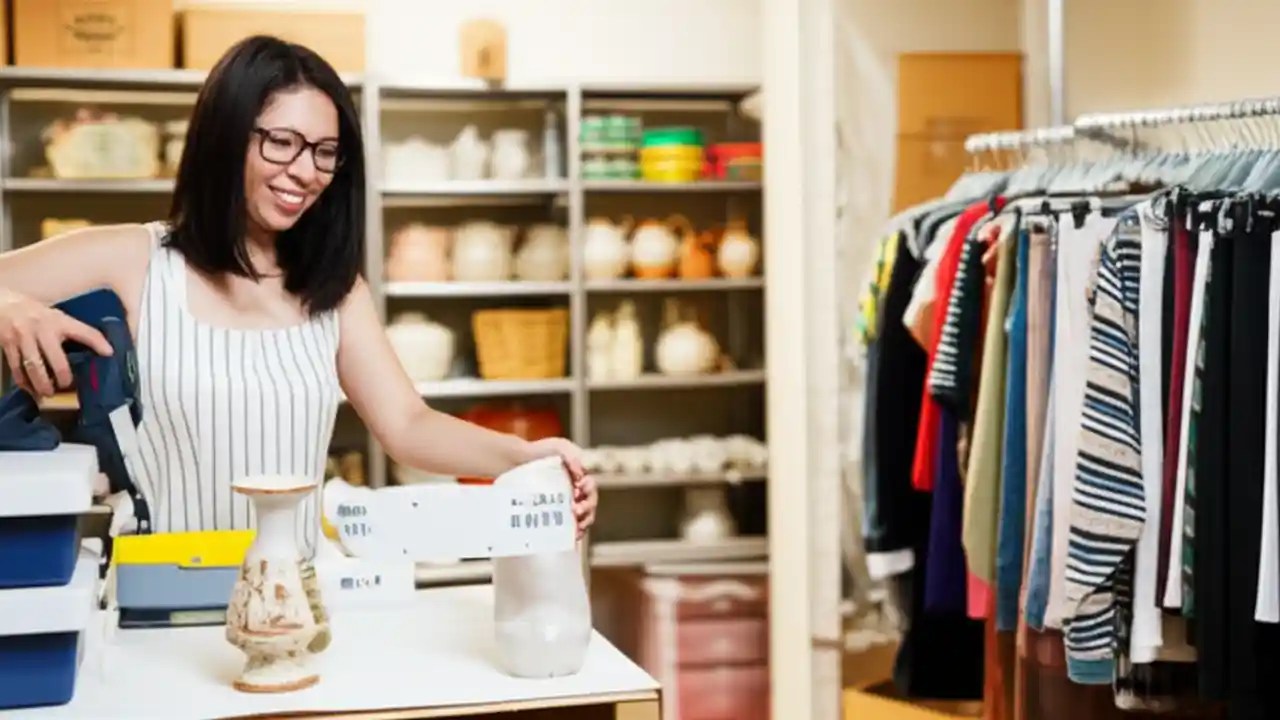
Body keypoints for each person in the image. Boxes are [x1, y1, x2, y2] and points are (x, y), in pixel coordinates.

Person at [0, 35, 597, 550]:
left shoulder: (333, 289)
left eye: (325, 152)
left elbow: (409, 425)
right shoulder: (133, 259)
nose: (305, 171)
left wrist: (524, 457)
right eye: (281, 142)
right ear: (226, 137)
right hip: (157, 602)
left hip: (292, 606)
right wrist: (8, 306)